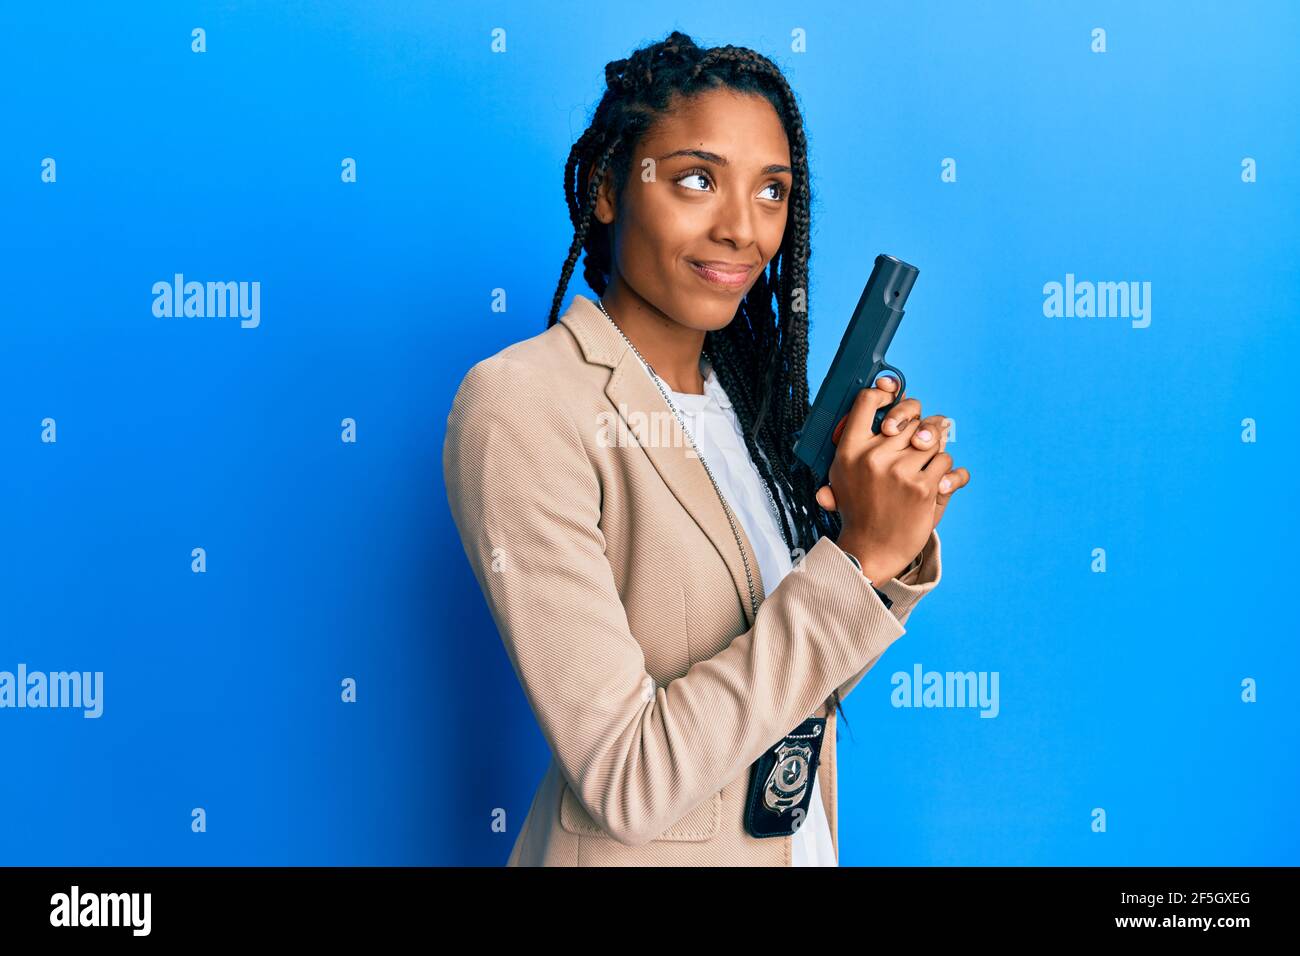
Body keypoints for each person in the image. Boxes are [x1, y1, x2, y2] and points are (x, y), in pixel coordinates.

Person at [442, 30, 969, 866]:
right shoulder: (523, 406)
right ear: (610, 187)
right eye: (696, 180)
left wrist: (886, 546)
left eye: (772, 192)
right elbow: (625, 778)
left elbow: (793, 689)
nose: (742, 230)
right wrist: (855, 567)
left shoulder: (751, 418)